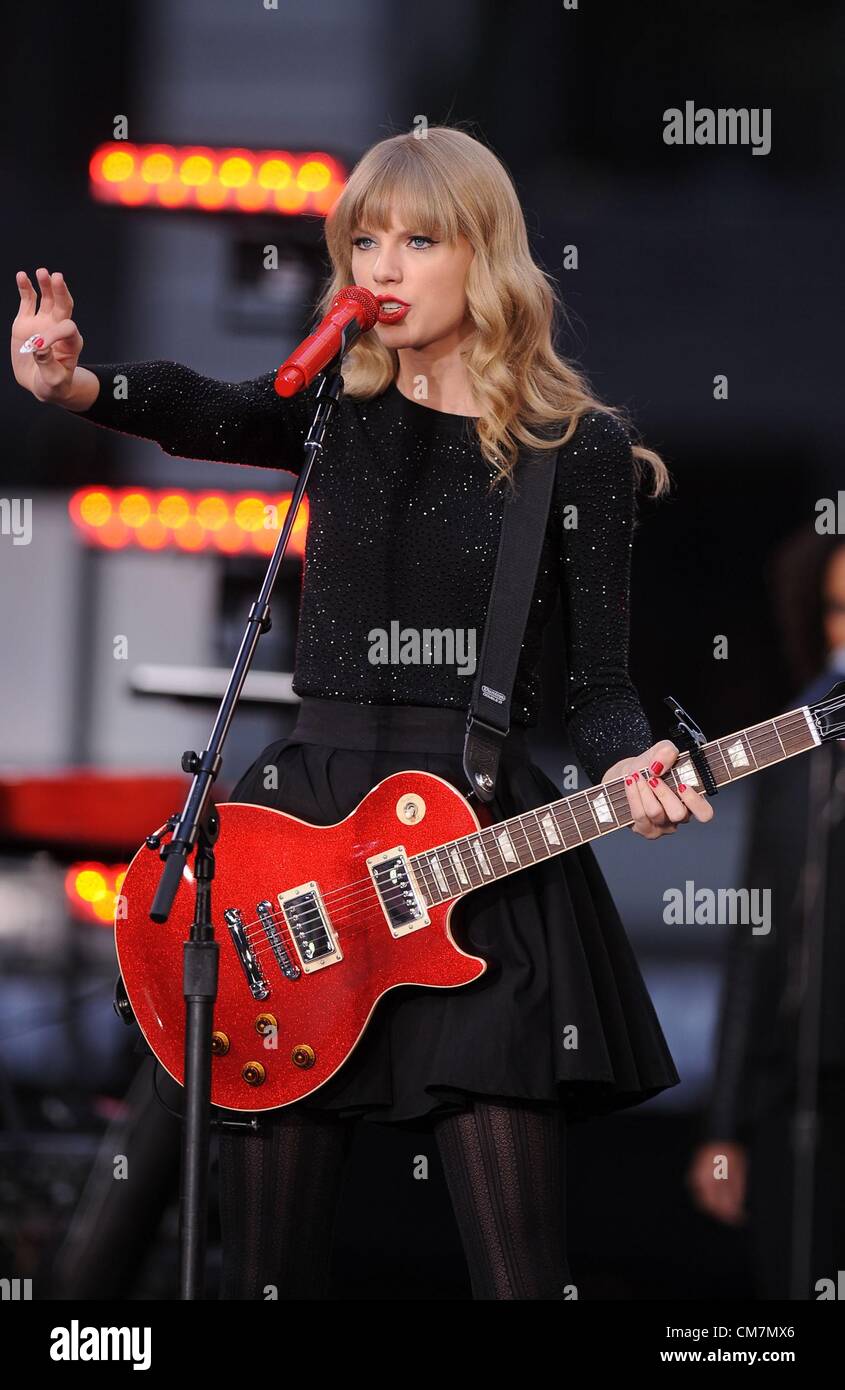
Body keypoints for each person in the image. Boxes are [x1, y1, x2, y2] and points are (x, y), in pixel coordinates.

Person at [12, 124, 714, 1300]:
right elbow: (211, 408)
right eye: (361, 242)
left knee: (518, 1271)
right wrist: (79, 382)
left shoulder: (571, 451)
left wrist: (632, 759)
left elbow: (597, 687)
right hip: (301, 840)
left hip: (476, 847)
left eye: (415, 240)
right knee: (267, 1267)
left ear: (482, 255)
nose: (379, 268)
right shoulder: (335, 411)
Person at [687, 528, 845, 1299]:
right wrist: (724, 1127)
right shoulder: (801, 745)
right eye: (836, 610)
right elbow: (754, 942)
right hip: (802, 1081)